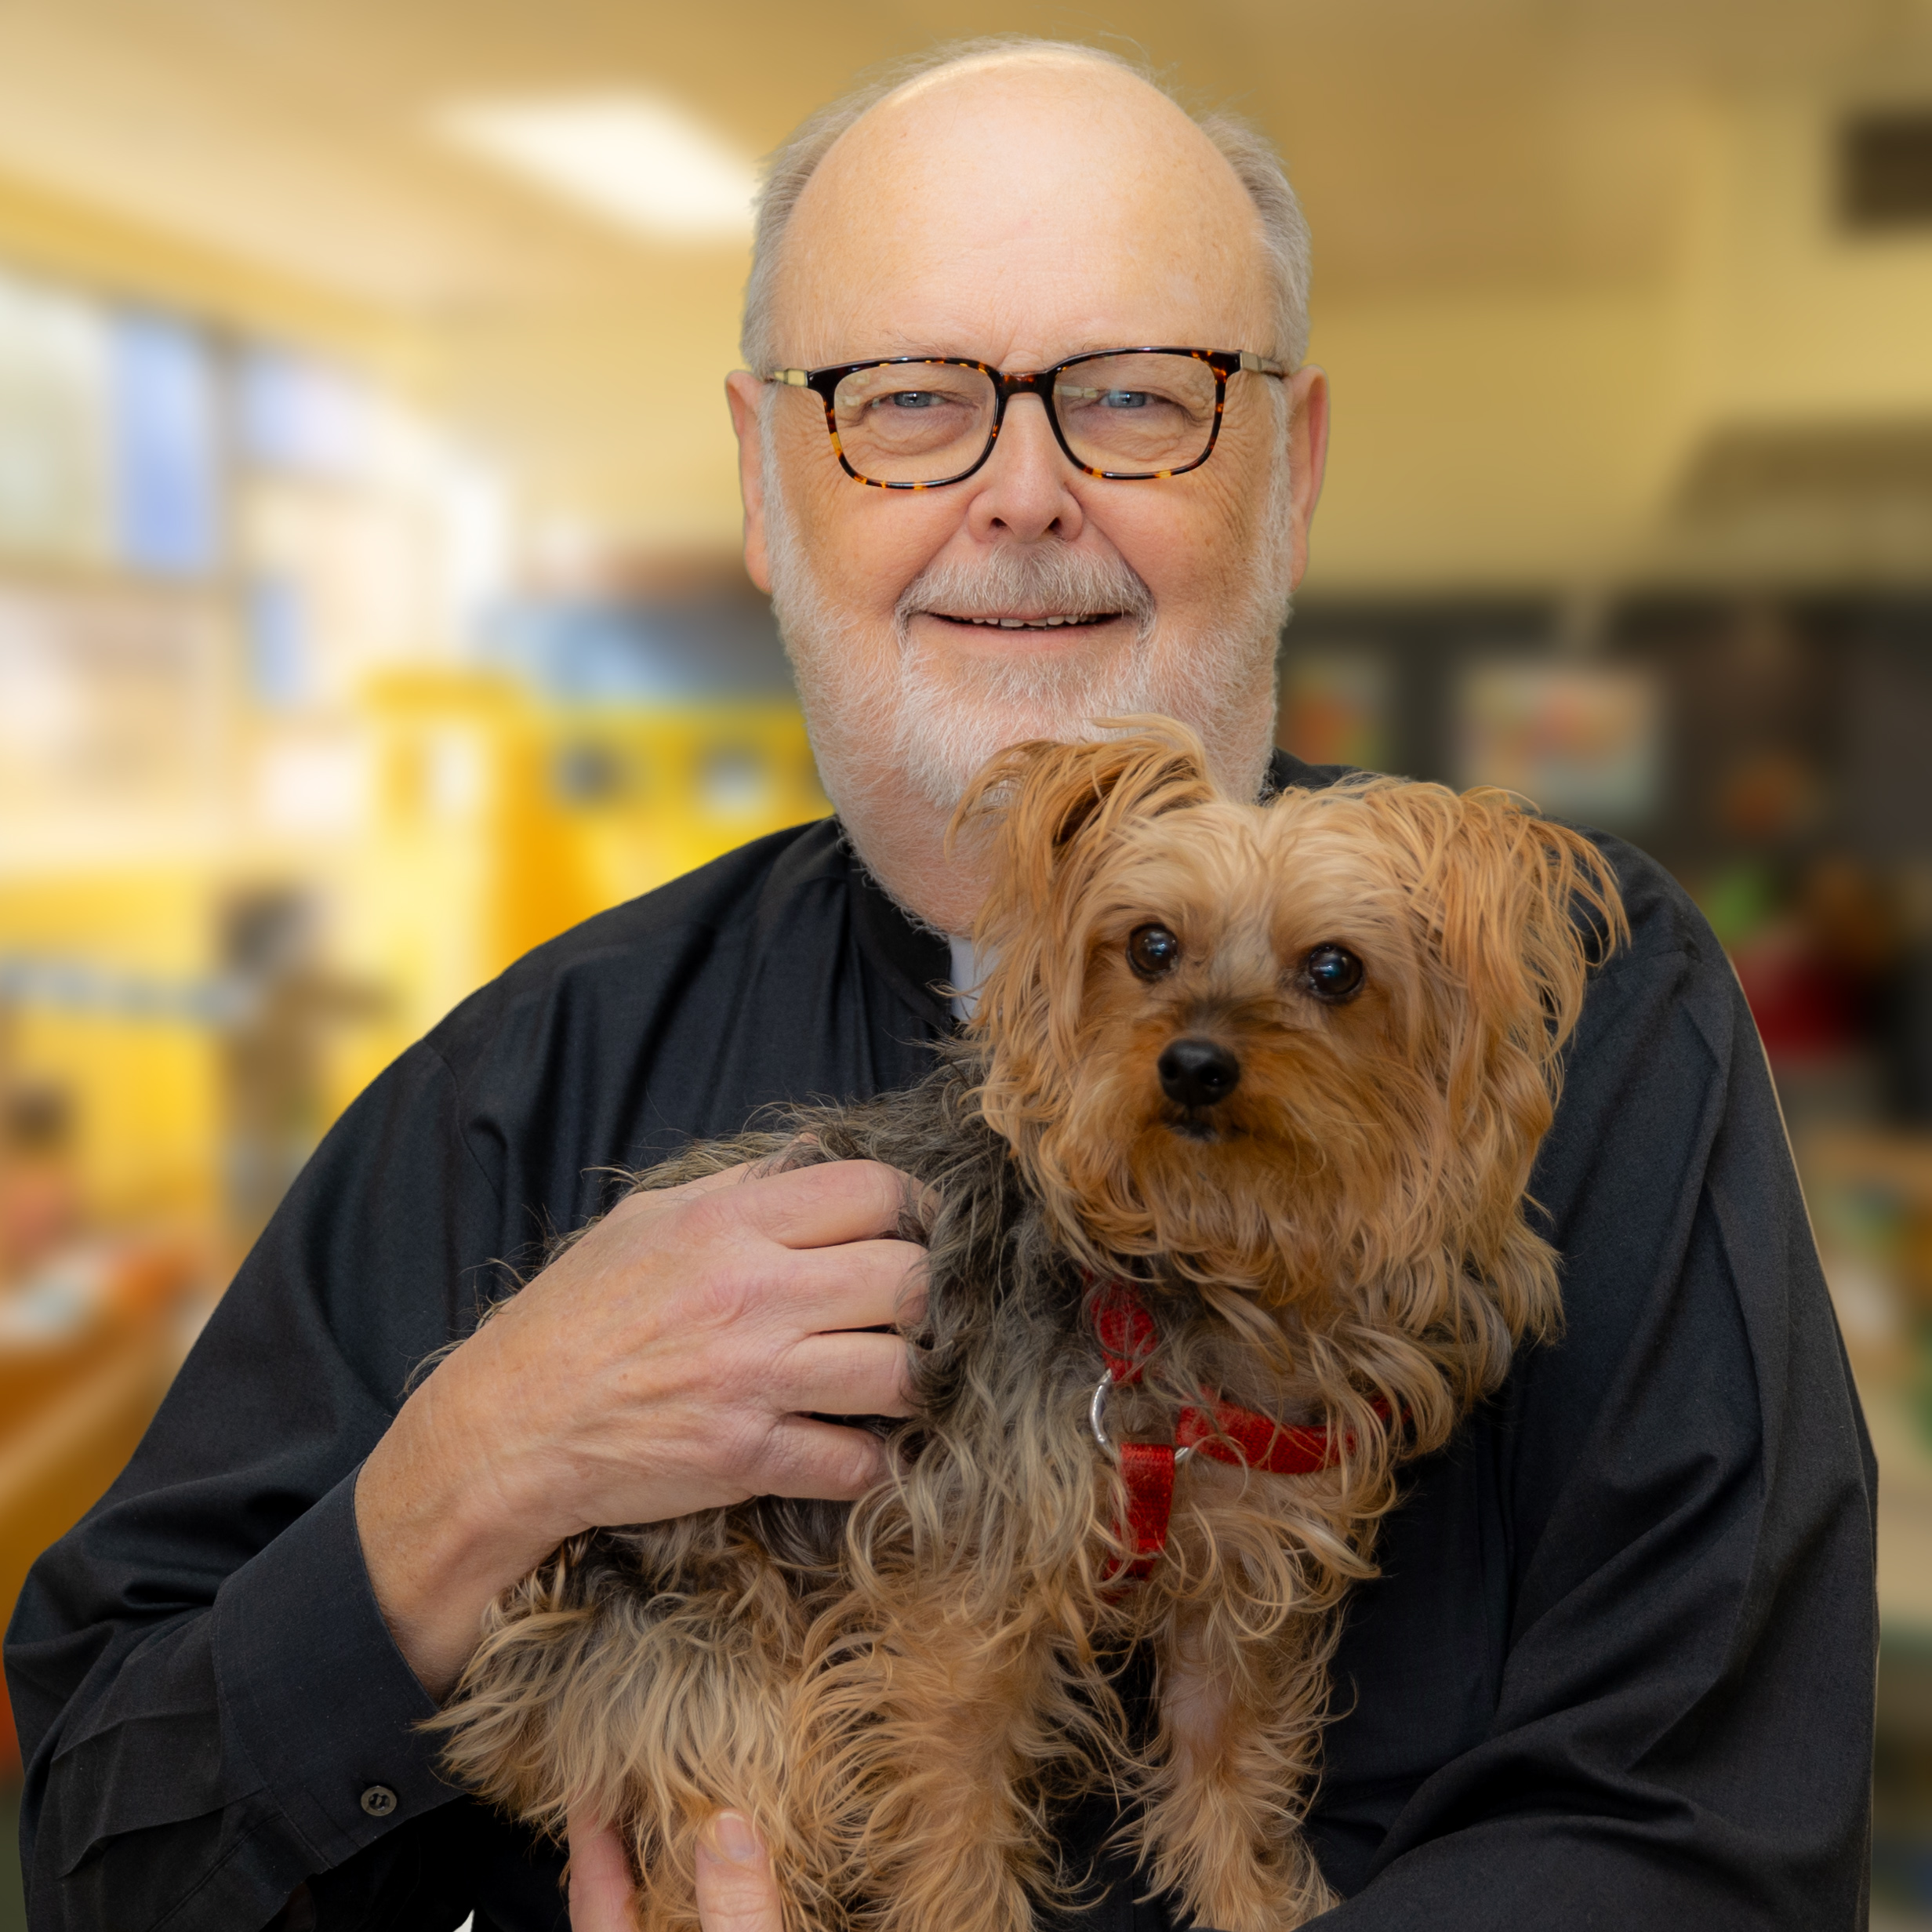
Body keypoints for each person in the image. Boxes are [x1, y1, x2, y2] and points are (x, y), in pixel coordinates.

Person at [5, 39, 1876, 1932]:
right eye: (905, 402)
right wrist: (467, 1469)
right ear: (762, 483)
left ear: (1290, 474)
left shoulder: (1586, 1010)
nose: (1023, 493)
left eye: (1134, 397)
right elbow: (101, 1844)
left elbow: (1705, 1846)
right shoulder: (526, 1082)